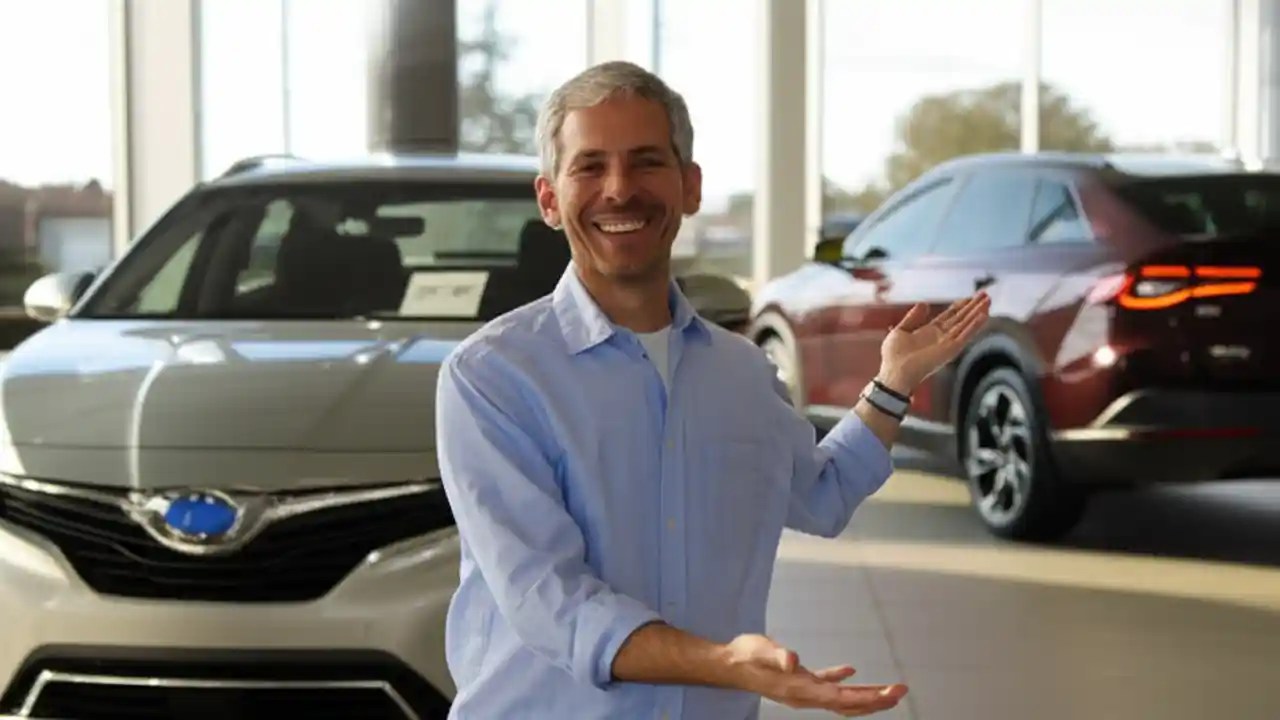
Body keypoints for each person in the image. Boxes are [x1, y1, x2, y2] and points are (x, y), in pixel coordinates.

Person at [435, 60, 990, 719]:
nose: (619, 189)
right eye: (590, 166)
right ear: (550, 199)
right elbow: (550, 604)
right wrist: (722, 664)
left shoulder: (741, 373)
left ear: (690, 187)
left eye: (646, 162)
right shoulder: (493, 377)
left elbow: (822, 492)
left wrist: (893, 381)